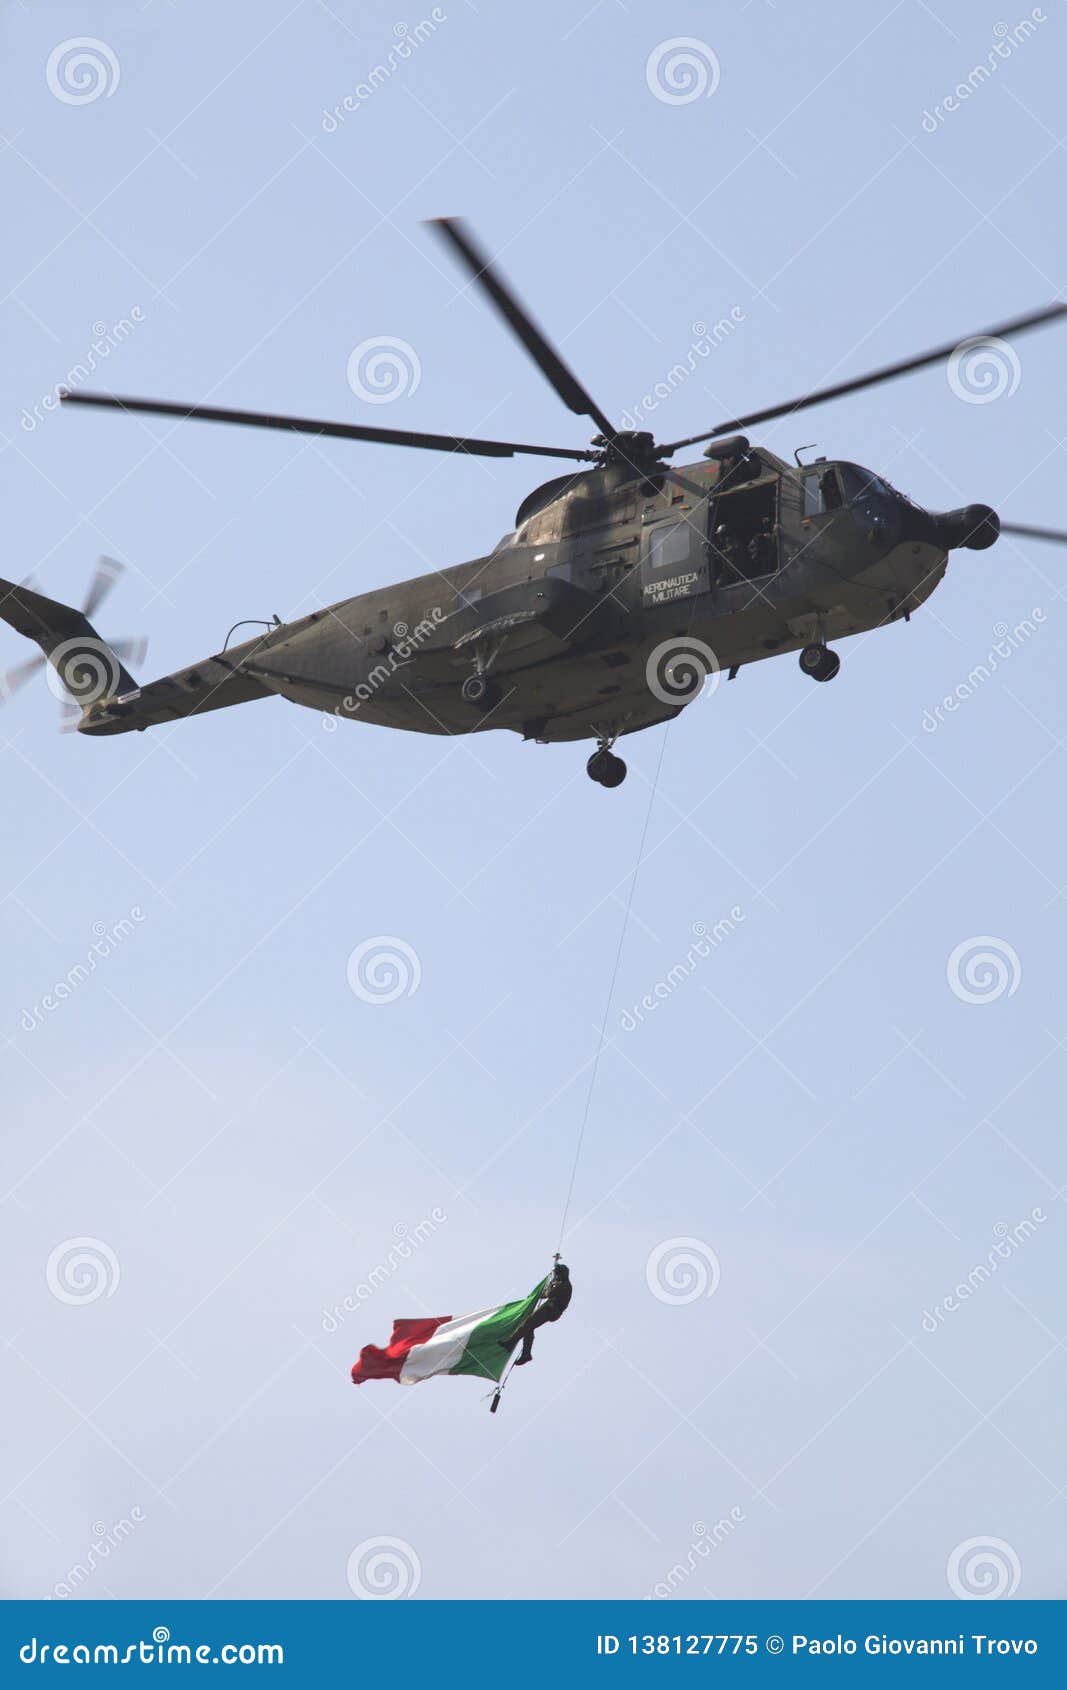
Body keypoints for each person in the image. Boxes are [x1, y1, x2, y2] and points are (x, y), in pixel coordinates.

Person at [499, 1261, 572, 1366]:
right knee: (529, 1328)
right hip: (550, 1308)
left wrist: (551, 1283)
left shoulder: (564, 1285)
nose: (556, 1276)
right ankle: (526, 1354)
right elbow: (544, 1295)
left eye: (557, 1274)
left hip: (552, 1309)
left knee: (528, 1323)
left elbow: (549, 1293)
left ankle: (511, 1342)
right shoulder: (560, 1283)